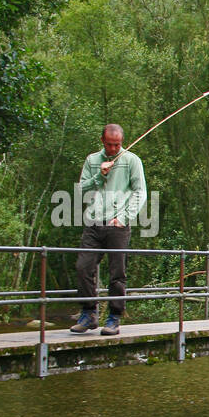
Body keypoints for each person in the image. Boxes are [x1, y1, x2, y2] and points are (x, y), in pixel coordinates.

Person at [70, 123, 147, 336]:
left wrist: (123, 217)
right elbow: (81, 189)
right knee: (83, 267)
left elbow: (140, 193)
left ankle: (114, 318)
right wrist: (100, 175)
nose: (114, 148)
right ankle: (88, 313)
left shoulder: (132, 160)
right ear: (102, 141)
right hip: (94, 223)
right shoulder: (92, 160)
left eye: (117, 145)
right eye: (110, 144)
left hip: (118, 225)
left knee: (117, 273)